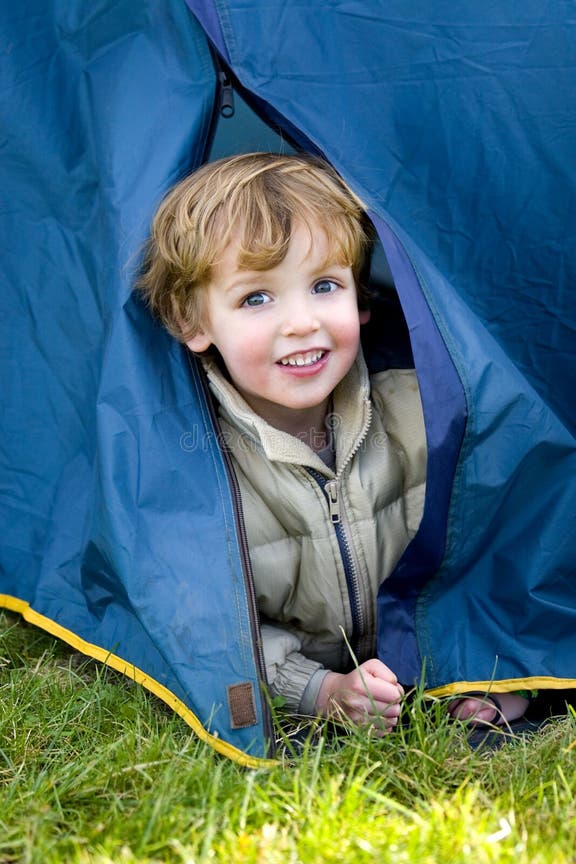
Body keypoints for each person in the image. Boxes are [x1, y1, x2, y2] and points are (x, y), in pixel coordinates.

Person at [138, 152, 529, 732]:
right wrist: (318, 692)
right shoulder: (194, 465)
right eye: (256, 298)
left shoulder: (420, 409)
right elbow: (199, 619)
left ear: (360, 295)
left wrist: (476, 655)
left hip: (421, 643)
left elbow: (497, 536)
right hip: (313, 667)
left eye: (324, 285)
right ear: (192, 322)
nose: (301, 322)